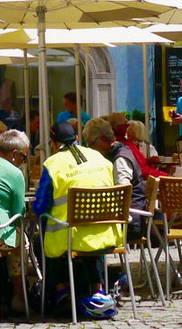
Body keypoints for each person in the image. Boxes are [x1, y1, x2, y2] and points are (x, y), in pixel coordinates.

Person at [29, 118, 121, 318]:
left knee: (45, 237)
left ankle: (61, 291)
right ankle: (98, 290)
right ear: (77, 138)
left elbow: (41, 206)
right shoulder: (100, 159)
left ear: (53, 144)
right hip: (105, 233)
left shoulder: (53, 164)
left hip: (69, 236)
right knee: (89, 232)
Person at [85, 118, 145, 239]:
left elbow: (123, 194)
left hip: (130, 223)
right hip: (128, 218)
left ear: (101, 139)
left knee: (84, 231)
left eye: (90, 144)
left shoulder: (120, 159)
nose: (89, 148)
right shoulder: (117, 151)